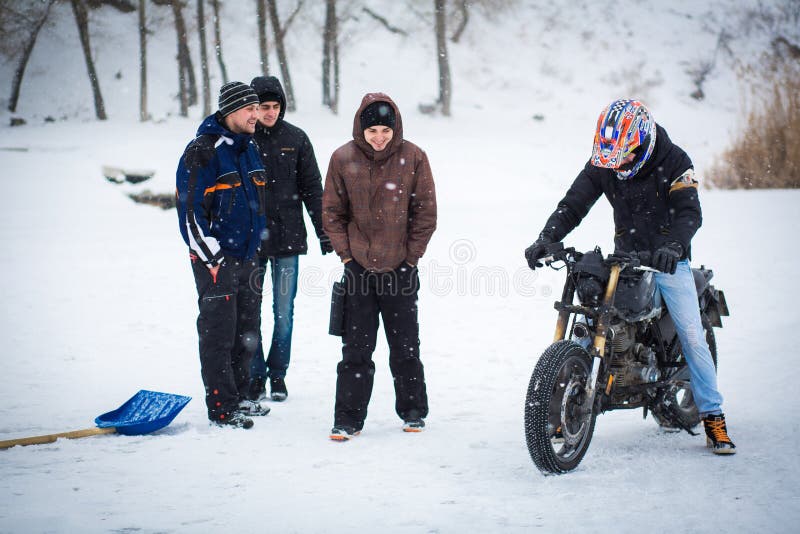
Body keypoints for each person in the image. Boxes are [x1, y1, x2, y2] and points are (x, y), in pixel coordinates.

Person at [524, 99, 735, 454]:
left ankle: (713, 414)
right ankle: (563, 405)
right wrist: (548, 237)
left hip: (668, 259)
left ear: (640, 145)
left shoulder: (676, 162)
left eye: (621, 157)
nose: (614, 164)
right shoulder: (605, 160)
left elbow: (689, 213)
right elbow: (573, 203)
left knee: (692, 336)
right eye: (608, 157)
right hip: (626, 255)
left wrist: (673, 247)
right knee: (590, 323)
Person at [322, 93, 437, 441]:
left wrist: (410, 259)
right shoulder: (343, 158)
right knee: (356, 350)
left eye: (385, 130)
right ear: (361, 127)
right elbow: (332, 214)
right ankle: (348, 419)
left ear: (395, 128)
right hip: (358, 271)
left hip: (400, 271)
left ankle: (413, 411)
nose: (379, 137)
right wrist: (346, 257)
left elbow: (425, 215)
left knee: (405, 348)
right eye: (372, 129)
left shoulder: (414, 157)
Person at [176, 81, 271, 429]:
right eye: (249, 109)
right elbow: (190, 212)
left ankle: (242, 395)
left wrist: (257, 245)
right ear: (230, 111)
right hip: (216, 260)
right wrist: (211, 257)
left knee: (247, 331)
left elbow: (256, 203)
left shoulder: (250, 148)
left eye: (257, 108)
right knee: (219, 332)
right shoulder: (203, 150)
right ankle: (222, 407)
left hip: (248, 257)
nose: (256, 115)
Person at [246, 76, 333, 403]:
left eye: (275, 106)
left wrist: (324, 231)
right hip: (250, 243)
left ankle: (278, 374)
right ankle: (255, 376)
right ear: (254, 107)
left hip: (288, 239)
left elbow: (313, 188)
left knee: (284, 312)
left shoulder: (296, 139)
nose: (270, 112)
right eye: (263, 106)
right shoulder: (244, 139)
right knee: (249, 313)